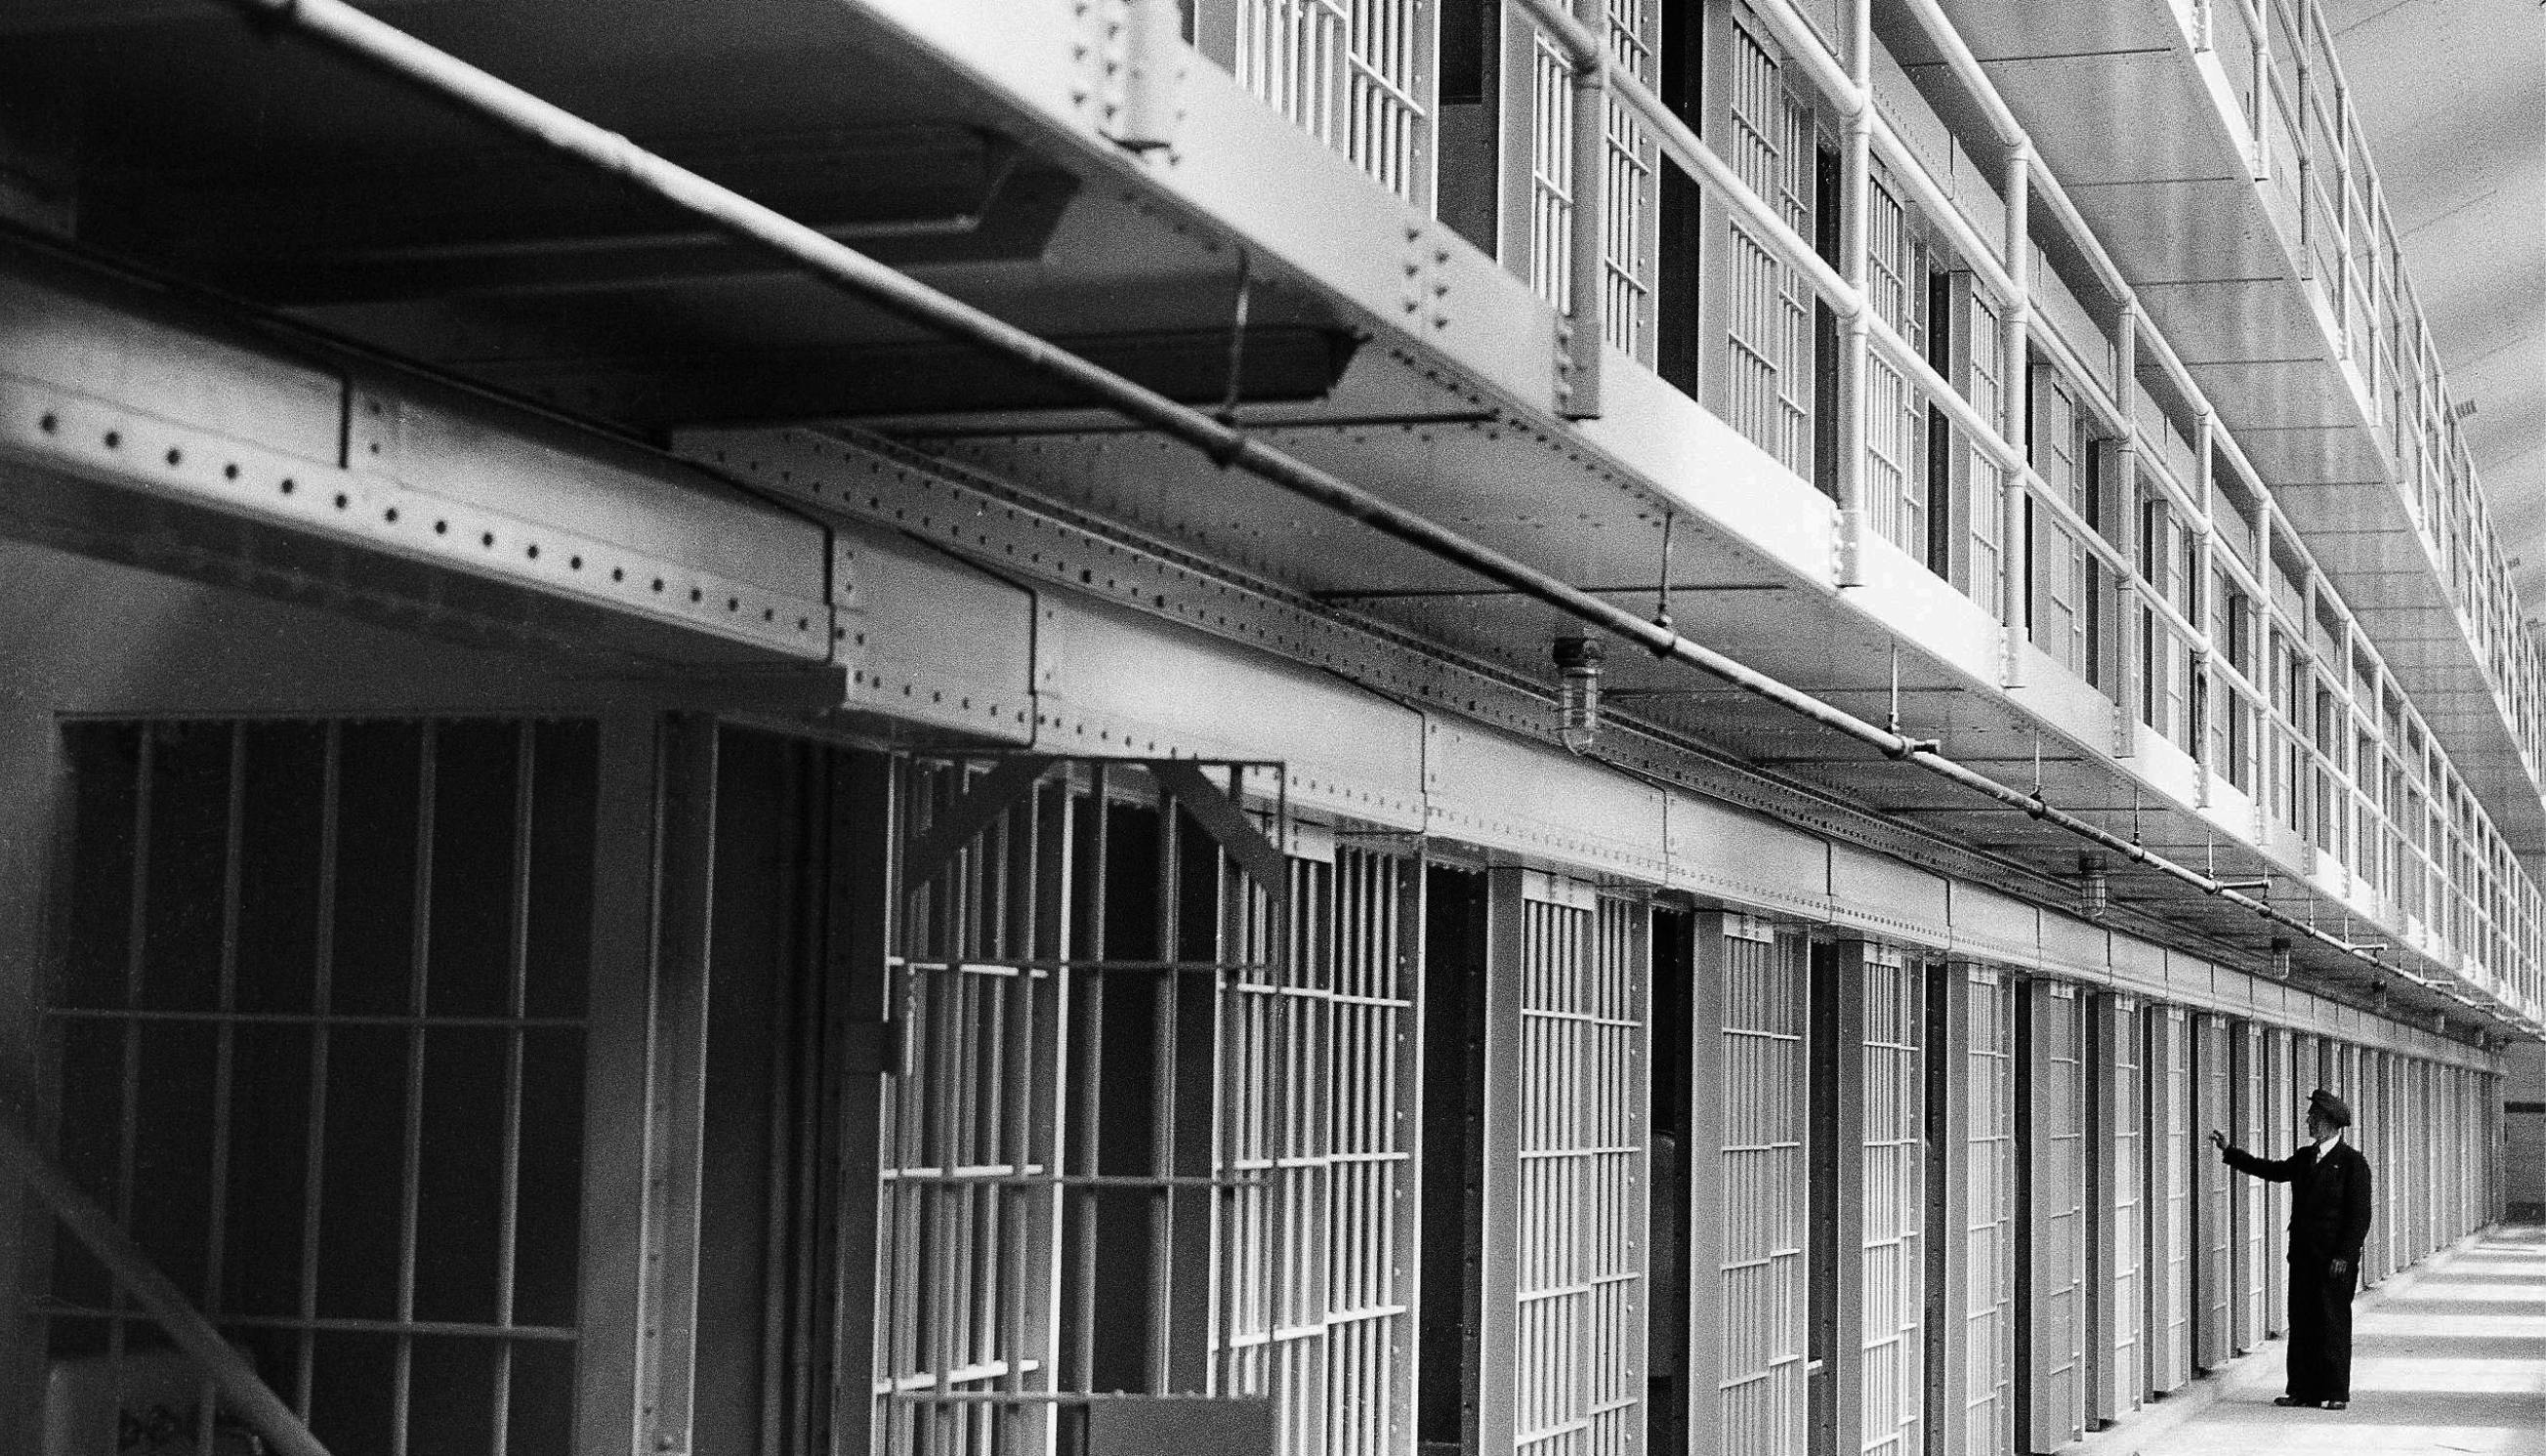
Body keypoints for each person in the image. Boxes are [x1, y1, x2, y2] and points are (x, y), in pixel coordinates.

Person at [2209, 1088, 2373, 1410]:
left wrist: (2344, 1254)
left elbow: (2359, 1216)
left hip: (2334, 1262)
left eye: (2313, 1117)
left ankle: (2335, 1392)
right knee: (2301, 1322)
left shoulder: (2353, 1163)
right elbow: (2272, 1171)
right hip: (2304, 1257)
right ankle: (2301, 1389)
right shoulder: (2304, 1157)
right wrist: (2231, 1151)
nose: (2308, 1121)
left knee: (2333, 1323)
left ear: (2327, 1122)